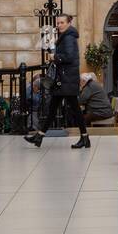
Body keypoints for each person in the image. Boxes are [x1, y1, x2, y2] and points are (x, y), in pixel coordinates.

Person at [26, 13, 88, 149]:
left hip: (66, 79)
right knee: (53, 109)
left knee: (73, 109)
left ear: (69, 23)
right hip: (64, 79)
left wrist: (55, 57)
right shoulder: (65, 36)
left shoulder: (69, 37)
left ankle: (85, 138)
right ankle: (39, 136)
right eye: (58, 23)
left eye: (62, 22)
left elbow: (69, 57)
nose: (59, 25)